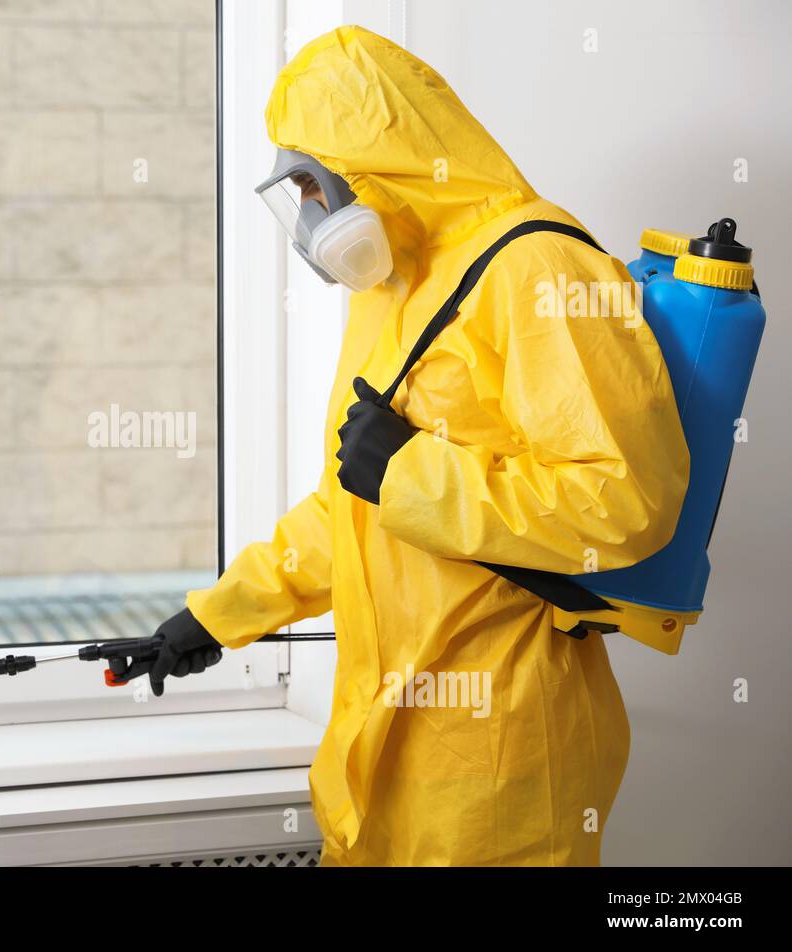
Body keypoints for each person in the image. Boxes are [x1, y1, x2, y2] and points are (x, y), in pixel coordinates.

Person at [130, 27, 689, 866]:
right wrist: (217, 616)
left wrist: (410, 471)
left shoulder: (538, 266)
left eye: (315, 182)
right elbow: (357, 504)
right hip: (386, 744)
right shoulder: (393, 286)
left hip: (502, 752)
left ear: (374, 162)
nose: (311, 213)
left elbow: (626, 502)